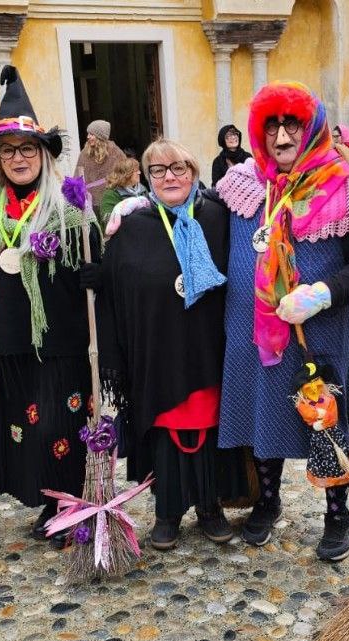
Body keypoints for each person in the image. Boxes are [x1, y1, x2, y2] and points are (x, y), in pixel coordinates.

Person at [213, 82, 349, 560]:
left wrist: (326, 292)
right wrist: (140, 209)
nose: (282, 136)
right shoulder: (243, 183)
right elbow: (191, 212)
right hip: (254, 332)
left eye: (292, 125)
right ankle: (267, 502)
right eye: (272, 125)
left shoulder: (343, 185)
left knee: (323, 416)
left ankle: (337, 513)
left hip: (318, 329)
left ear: (311, 130)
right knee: (262, 410)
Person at [0, 66, 102, 548]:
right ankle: (47, 500)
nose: (18, 158)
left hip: (62, 338)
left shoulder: (71, 207)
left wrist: (97, 272)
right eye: (8, 151)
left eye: (28, 149)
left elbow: (98, 266)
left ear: (44, 154)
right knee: (25, 424)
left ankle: (71, 504)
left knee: (59, 422)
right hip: (13, 338)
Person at [97, 140, 248, 549]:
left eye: (178, 167)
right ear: (146, 178)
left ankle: (210, 506)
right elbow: (113, 286)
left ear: (194, 171)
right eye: (158, 170)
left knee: (209, 425)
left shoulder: (219, 217)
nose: (170, 177)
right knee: (165, 430)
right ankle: (167, 511)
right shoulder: (133, 226)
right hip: (157, 350)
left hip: (208, 347)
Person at [73, 119, 126, 214]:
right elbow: (77, 176)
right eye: (88, 134)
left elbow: (125, 171)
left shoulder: (115, 153)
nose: (88, 137)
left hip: (110, 200)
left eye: (91, 134)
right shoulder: (85, 153)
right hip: (89, 203)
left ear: (100, 136)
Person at [98, 157, 145, 227]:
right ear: (126, 174)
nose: (139, 173)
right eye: (136, 170)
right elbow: (108, 221)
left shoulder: (143, 190)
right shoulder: (111, 194)